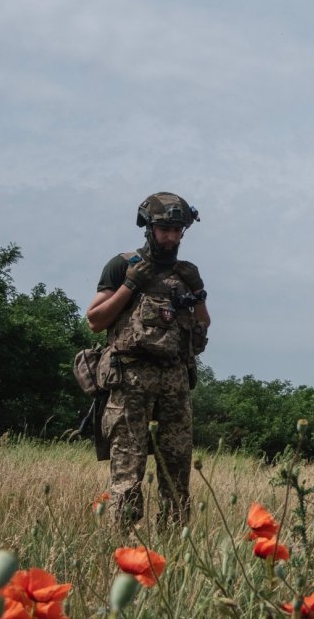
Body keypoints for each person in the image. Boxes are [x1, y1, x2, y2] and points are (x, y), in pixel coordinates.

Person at [87, 192, 210, 529]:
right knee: (127, 475)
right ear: (149, 227)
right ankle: (123, 549)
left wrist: (199, 293)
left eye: (177, 230)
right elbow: (95, 320)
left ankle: (172, 549)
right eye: (164, 229)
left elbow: (204, 325)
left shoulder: (186, 273)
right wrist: (130, 285)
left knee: (177, 476)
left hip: (175, 385)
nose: (171, 237)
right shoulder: (123, 265)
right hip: (130, 385)